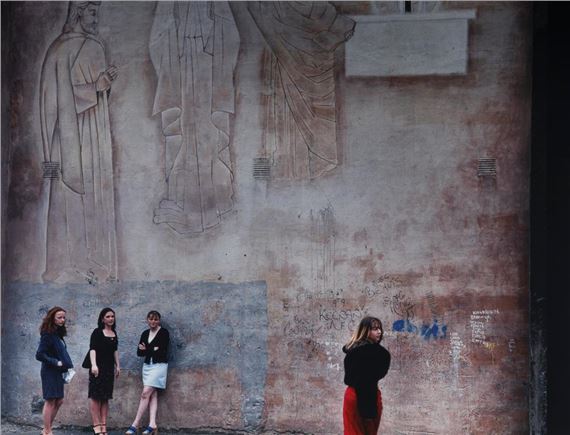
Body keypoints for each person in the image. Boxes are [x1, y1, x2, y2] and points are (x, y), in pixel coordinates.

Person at [39, 1, 118, 283]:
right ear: (78, 12)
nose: (96, 18)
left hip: (77, 138)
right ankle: (72, 263)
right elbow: (57, 99)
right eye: (92, 12)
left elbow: (55, 100)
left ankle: (82, 262)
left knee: (78, 195)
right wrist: (96, 87)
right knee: (72, 195)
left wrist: (102, 87)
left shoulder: (64, 48)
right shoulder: (73, 48)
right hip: (77, 137)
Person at [342, 316, 391, 435]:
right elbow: (380, 374)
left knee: (352, 431)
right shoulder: (381, 354)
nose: (379, 332)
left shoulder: (351, 350)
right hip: (370, 396)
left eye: (380, 328)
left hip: (352, 395)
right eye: (375, 329)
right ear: (365, 331)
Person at [125, 311, 170, 435]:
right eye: (151, 319)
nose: (153, 322)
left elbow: (162, 351)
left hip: (159, 366)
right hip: (147, 367)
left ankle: (135, 424)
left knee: (145, 393)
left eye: (155, 319)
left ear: (159, 320)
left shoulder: (164, 333)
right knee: (152, 395)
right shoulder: (145, 333)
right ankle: (152, 425)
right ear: (147, 320)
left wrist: (148, 349)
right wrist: (153, 349)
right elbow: (139, 352)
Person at [36, 307, 74, 435]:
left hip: (58, 372)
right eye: (59, 317)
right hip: (49, 371)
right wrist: (56, 362)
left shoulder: (57, 334)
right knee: (50, 400)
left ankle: (46, 429)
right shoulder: (47, 334)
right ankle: (48, 431)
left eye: (64, 317)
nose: (62, 320)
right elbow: (39, 354)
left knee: (59, 400)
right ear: (52, 318)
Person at [87, 308, 120, 435]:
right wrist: (94, 365)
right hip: (98, 368)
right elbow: (92, 349)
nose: (111, 319)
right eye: (108, 316)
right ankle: (96, 426)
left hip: (108, 369)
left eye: (112, 316)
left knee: (105, 398)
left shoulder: (114, 333)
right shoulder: (97, 332)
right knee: (96, 397)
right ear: (102, 319)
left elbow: (115, 351)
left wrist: (118, 366)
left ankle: (104, 426)